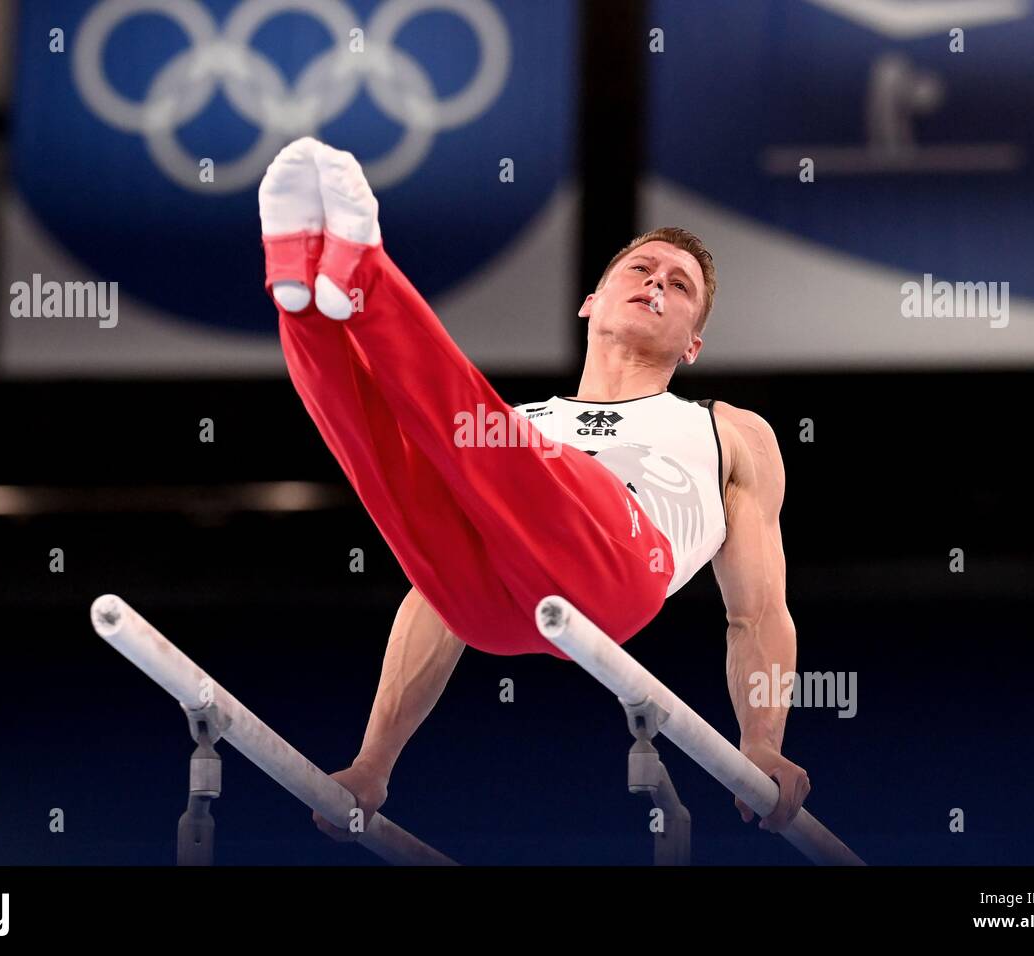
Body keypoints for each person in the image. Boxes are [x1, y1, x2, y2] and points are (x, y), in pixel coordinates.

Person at [259, 137, 809, 848]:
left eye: (679, 287)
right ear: (591, 303)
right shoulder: (520, 426)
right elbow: (431, 596)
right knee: (383, 452)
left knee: (474, 431)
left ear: (693, 345)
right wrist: (373, 765)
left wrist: (759, 742)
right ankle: (302, 292)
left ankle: (366, 273)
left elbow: (759, 612)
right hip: (491, 610)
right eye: (641, 269)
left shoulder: (728, 432)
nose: (656, 284)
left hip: (617, 576)